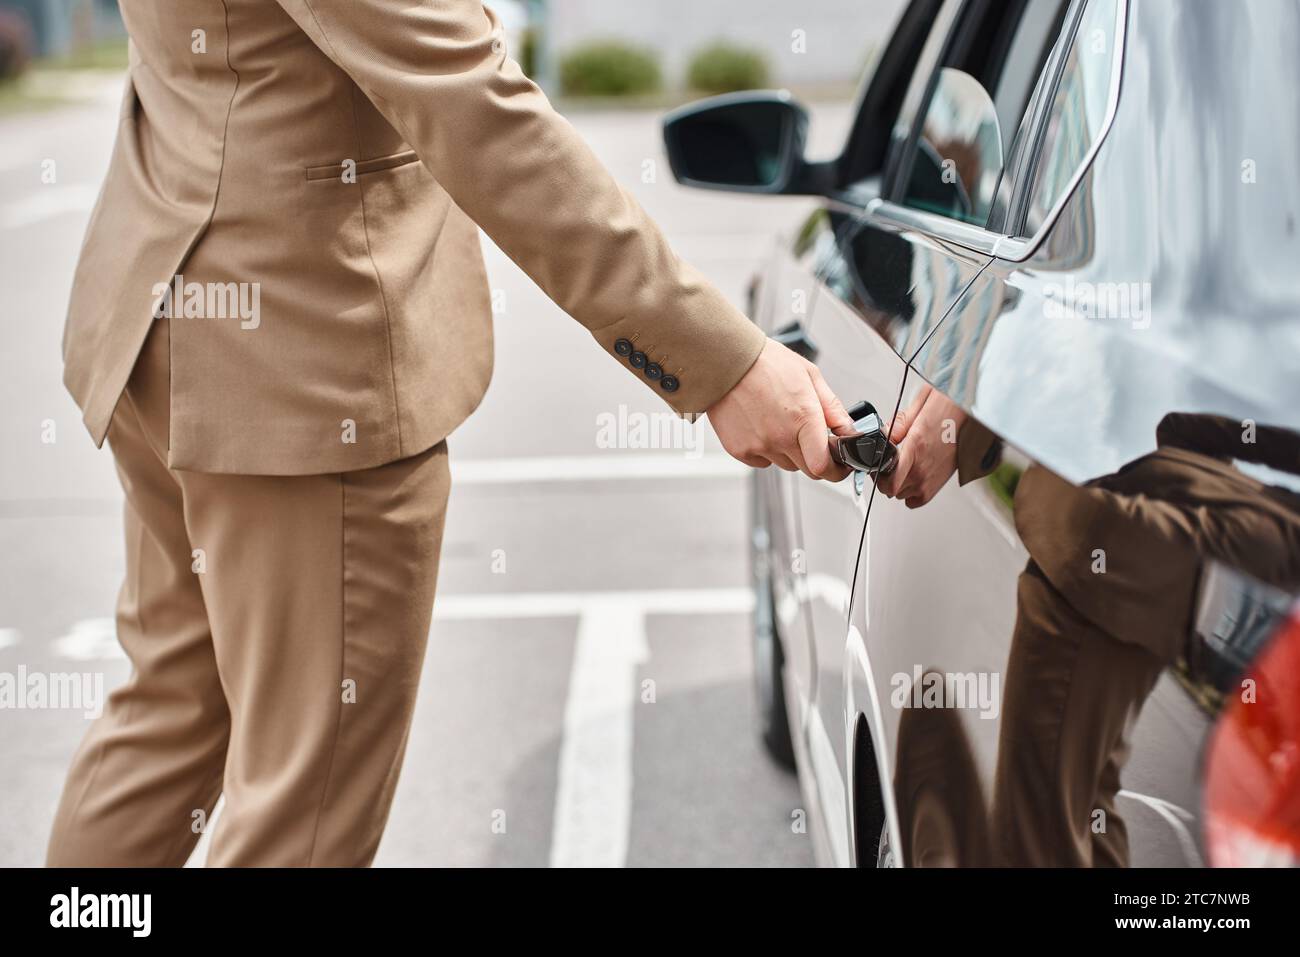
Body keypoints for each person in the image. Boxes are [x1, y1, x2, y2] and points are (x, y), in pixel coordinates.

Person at [47, 0, 851, 867]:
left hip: (173, 322)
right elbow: (473, 103)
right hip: (301, 380)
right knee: (302, 815)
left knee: (168, 718)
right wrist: (720, 362)